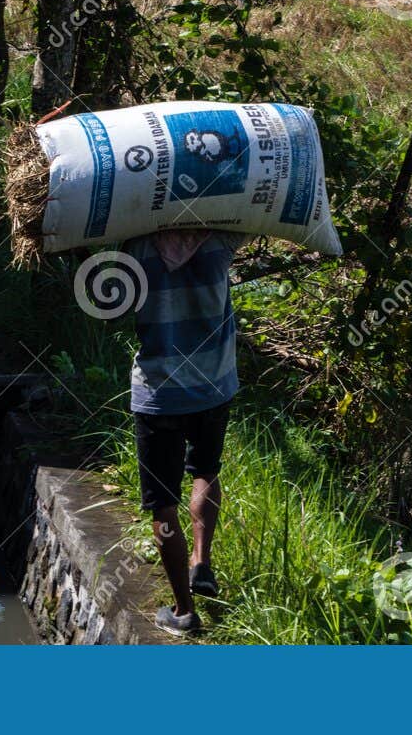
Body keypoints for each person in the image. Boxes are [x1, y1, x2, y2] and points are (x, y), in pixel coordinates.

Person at [120, 228, 248, 636]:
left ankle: (183, 610)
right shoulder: (220, 241)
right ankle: (201, 563)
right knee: (206, 470)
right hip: (215, 386)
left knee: (162, 504)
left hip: (160, 394)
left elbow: (113, 304)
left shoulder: (133, 246)